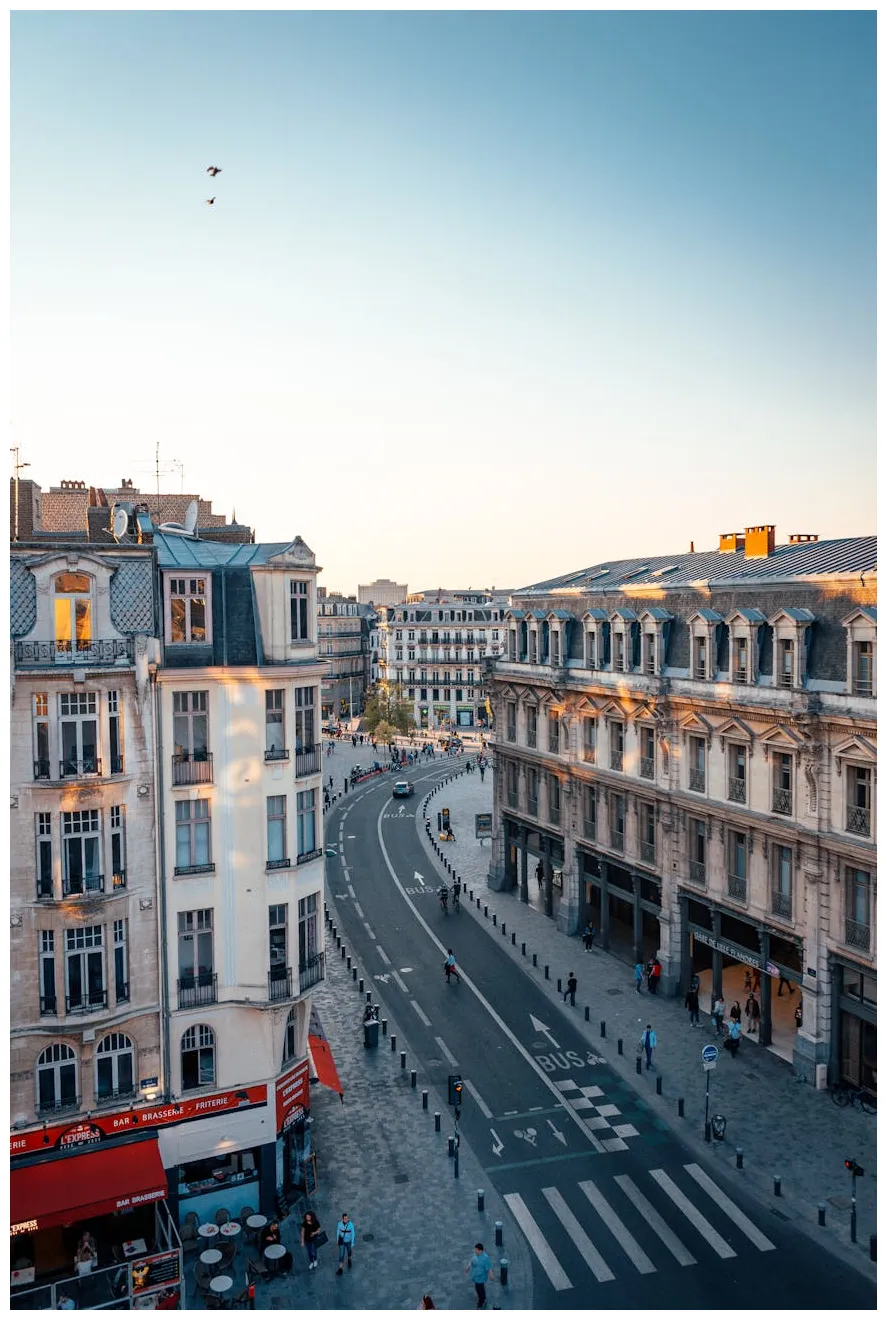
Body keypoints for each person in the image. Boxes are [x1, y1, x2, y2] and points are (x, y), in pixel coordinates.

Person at [466, 1242, 494, 1309]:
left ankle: (481, 1301)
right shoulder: (475, 1254)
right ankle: (482, 1297)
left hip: (481, 1277)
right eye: (475, 1250)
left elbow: (489, 1267)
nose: (475, 1251)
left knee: (479, 1288)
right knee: (478, 1288)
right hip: (475, 1276)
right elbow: (471, 1261)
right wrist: (468, 1267)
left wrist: (491, 1274)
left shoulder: (485, 1258)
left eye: (476, 1250)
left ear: (480, 1250)